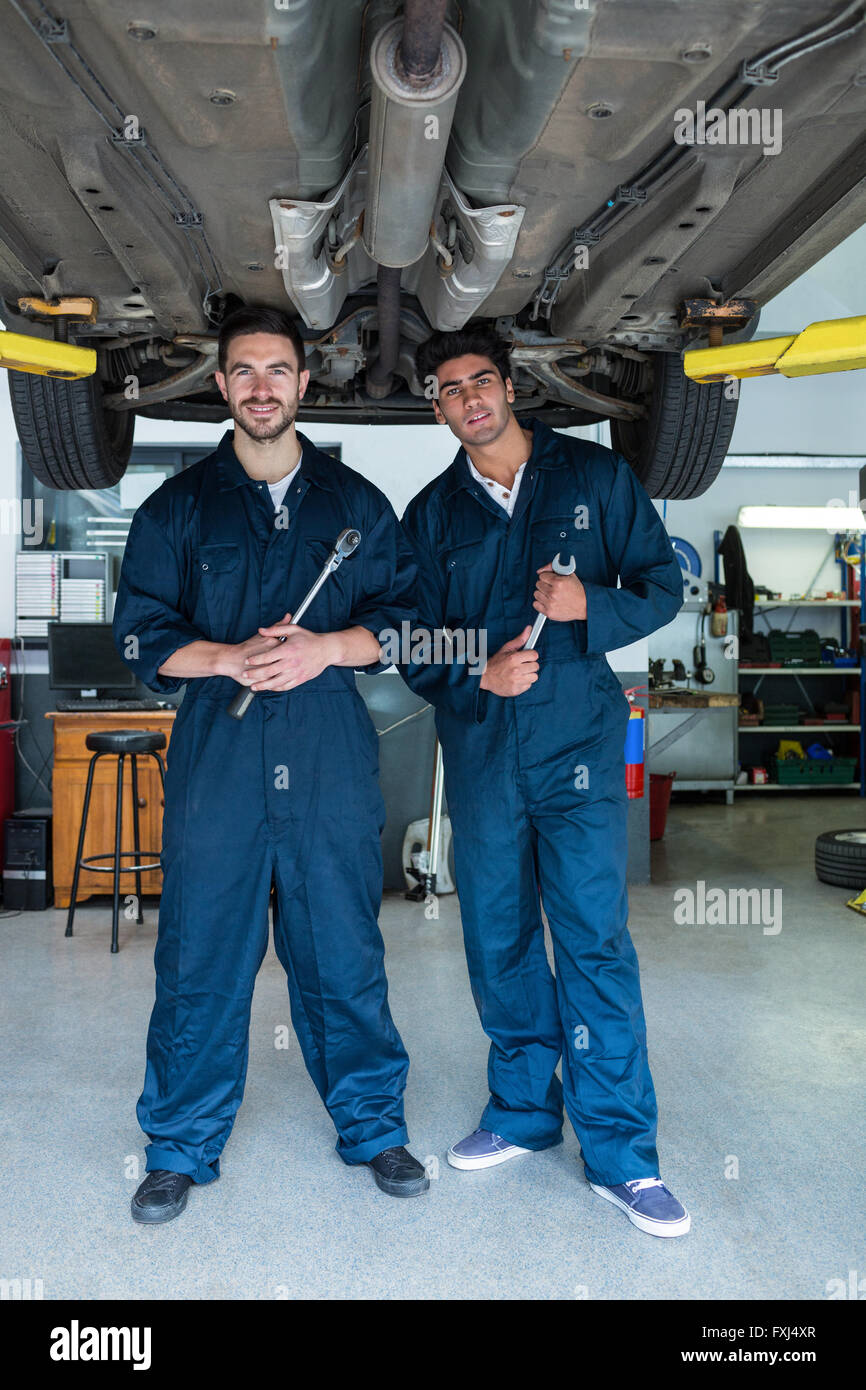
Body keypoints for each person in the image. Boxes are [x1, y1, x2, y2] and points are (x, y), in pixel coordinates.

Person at [114, 305, 428, 1223]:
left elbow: (405, 622)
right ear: (222, 386)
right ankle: (178, 1146)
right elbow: (141, 632)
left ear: (303, 382)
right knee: (202, 952)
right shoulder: (177, 508)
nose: (262, 387)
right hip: (221, 754)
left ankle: (374, 1127)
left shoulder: (354, 504)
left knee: (341, 947)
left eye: (278, 370)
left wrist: (324, 650)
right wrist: (225, 657)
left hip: (327, 749)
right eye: (244, 371)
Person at [400, 325, 689, 1237]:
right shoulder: (432, 514)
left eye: (480, 381)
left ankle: (622, 1156)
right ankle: (524, 1111)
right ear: (438, 407)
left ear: (511, 386)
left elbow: (662, 582)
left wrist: (589, 606)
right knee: (498, 940)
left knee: (594, 942)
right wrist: (474, 671)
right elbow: (408, 636)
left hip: (578, 752)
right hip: (483, 754)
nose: (468, 400)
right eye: (449, 390)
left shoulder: (594, 478)